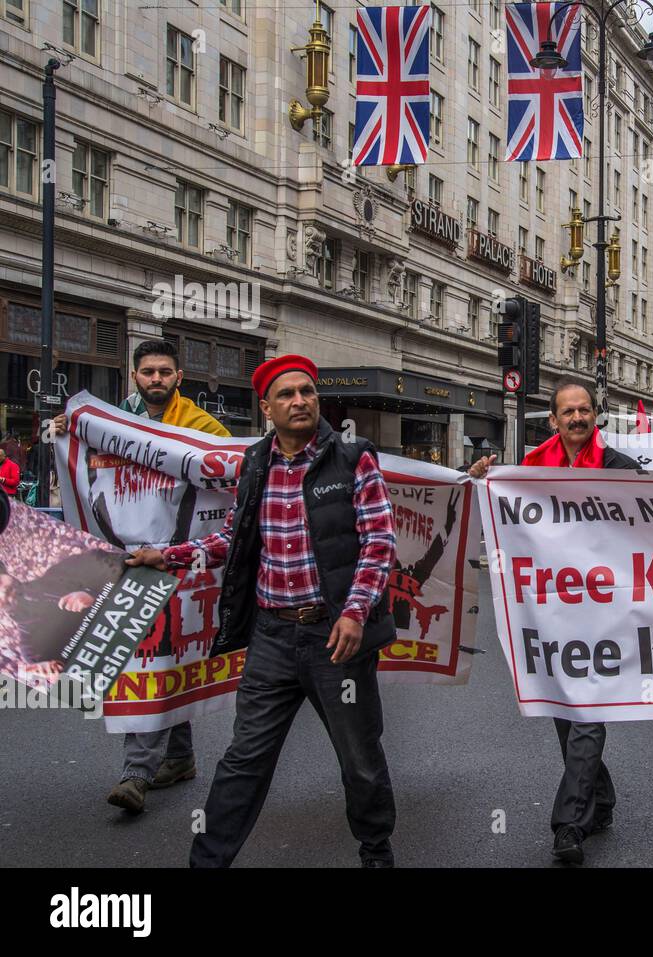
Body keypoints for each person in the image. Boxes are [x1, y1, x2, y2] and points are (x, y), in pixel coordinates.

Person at [129, 355, 399, 867]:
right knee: (244, 759)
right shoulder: (255, 462)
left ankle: (376, 851)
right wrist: (169, 555)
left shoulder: (353, 457)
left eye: (307, 392)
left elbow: (378, 542)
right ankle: (207, 861)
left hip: (335, 641)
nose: (300, 402)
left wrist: (354, 612)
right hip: (273, 639)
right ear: (266, 408)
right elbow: (234, 537)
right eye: (287, 395)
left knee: (360, 759)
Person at [54, 339, 231, 815]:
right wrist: (63, 431)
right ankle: (177, 757)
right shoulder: (112, 423)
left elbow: (229, 468)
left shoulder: (200, 425)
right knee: (155, 660)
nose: (156, 379)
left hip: (176, 561)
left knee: (153, 660)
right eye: (148, 371)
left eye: (165, 372)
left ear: (179, 379)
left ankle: (136, 773)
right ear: (135, 376)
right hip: (129, 563)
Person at [468, 378, 638, 865]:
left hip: (604, 615)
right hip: (552, 615)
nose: (579, 419)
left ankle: (568, 824)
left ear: (595, 415)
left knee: (586, 713)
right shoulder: (529, 471)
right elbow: (491, 509)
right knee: (566, 714)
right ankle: (599, 798)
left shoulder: (621, 470)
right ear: (554, 419)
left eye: (585, 410)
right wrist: (479, 476)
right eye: (570, 412)